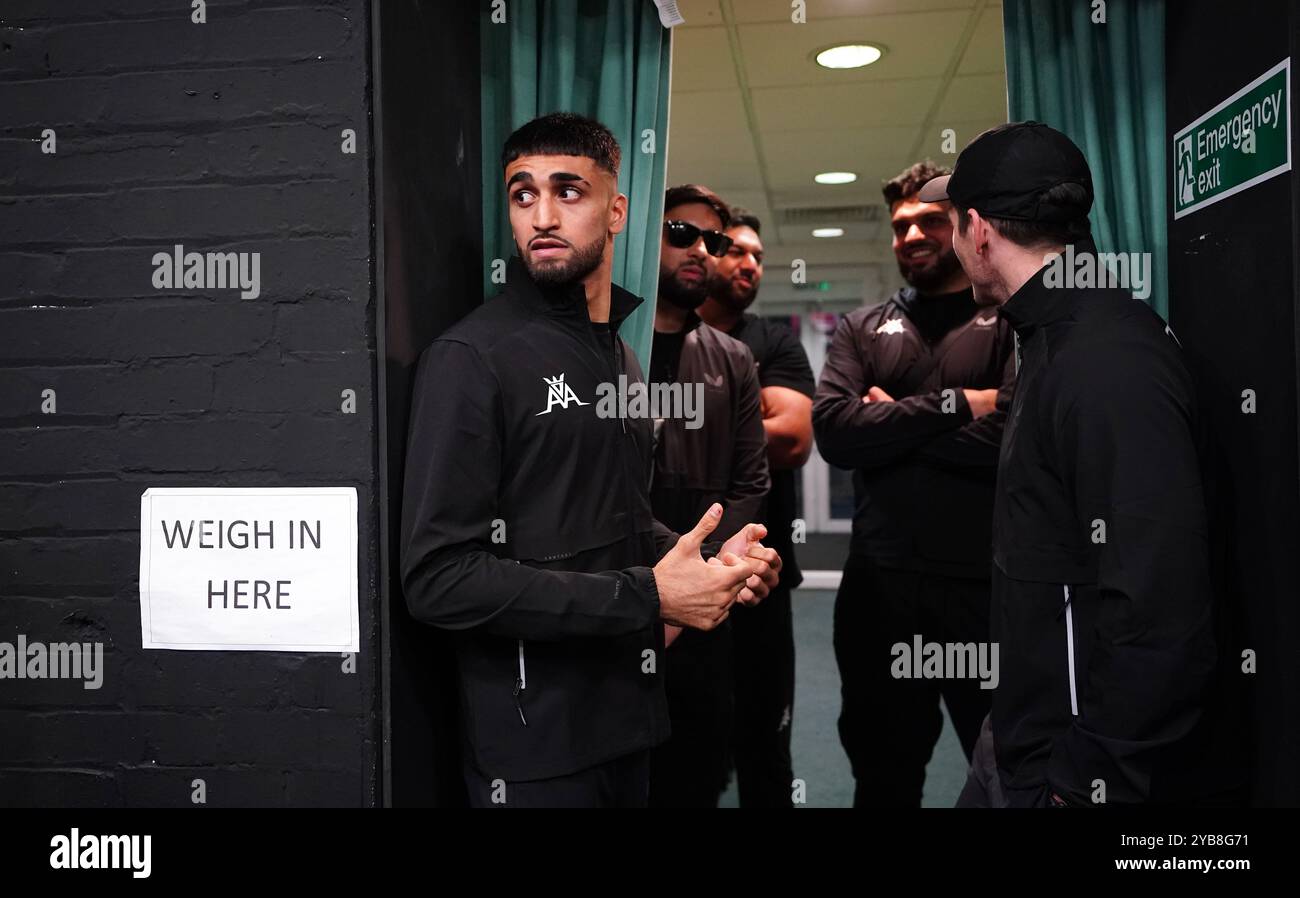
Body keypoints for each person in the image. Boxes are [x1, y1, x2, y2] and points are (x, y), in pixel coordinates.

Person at [399, 113, 779, 808]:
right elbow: (438, 580)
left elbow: (614, 524)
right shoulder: (472, 359)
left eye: (568, 191)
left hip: (627, 716)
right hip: (533, 743)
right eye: (522, 194)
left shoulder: (620, 358)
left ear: (616, 209)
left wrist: (712, 564)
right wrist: (650, 597)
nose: (542, 214)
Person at [920, 122, 1217, 807]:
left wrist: (1086, 783)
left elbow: (1161, 612)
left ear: (979, 230)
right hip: (1023, 737)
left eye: (952, 225)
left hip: (1069, 770)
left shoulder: (1105, 361)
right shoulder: (1058, 339)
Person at [812, 161, 1016, 807]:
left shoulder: (1013, 320)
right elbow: (837, 433)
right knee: (883, 777)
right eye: (900, 226)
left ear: (965, 225)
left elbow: (1017, 439)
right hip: (880, 591)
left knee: (1005, 768)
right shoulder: (862, 328)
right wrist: (962, 404)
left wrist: (890, 422)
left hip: (984, 592)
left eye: (930, 220)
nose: (912, 236)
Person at [645, 184, 772, 808]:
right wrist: (657, 594)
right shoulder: (602, 346)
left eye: (712, 240)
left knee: (694, 776)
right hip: (619, 600)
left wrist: (706, 579)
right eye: (681, 233)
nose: (700, 249)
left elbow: (751, 482)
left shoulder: (733, 358)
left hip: (707, 614)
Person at [699, 209, 815, 808]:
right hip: (680, 572)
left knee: (765, 744)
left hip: (761, 575)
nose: (750, 264)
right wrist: (748, 416)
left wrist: (689, 417)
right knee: (691, 751)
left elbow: (794, 440)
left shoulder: (773, 340)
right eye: (736, 250)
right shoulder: (660, 337)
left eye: (759, 256)